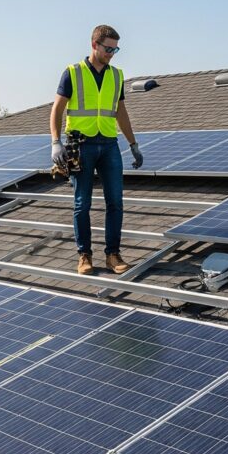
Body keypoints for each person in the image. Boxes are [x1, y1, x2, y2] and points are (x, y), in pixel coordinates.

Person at [50, 24, 143, 276]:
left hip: (109, 144)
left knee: (116, 202)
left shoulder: (117, 75)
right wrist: (56, 142)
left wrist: (133, 144)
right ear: (94, 45)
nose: (112, 53)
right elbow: (57, 109)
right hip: (82, 145)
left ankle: (113, 255)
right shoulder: (73, 73)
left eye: (115, 49)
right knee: (83, 203)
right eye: (108, 48)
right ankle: (84, 255)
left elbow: (120, 111)